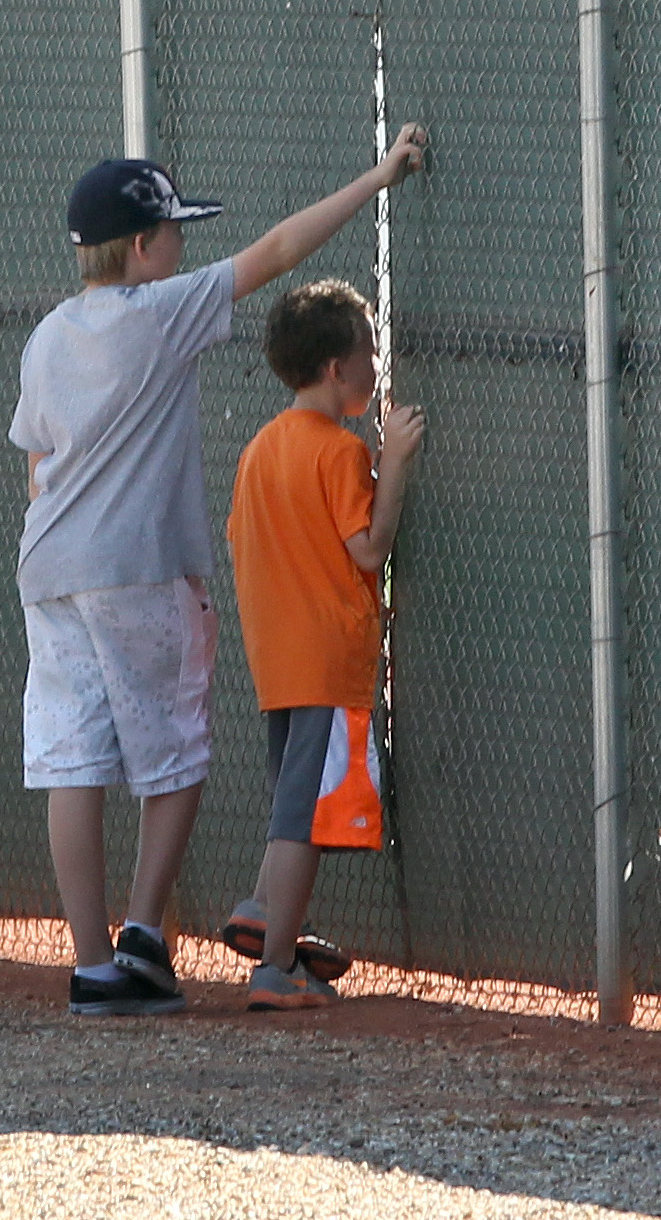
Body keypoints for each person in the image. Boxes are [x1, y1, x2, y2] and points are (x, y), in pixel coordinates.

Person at [11, 126, 428, 1018]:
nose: (184, 245)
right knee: (174, 752)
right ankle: (146, 935)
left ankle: (92, 964)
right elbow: (279, 250)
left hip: (49, 565)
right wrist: (377, 177)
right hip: (140, 564)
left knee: (71, 762)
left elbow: (38, 466)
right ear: (141, 246)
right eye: (174, 232)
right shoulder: (160, 310)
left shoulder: (47, 334)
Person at [214, 278, 426, 1010]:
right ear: (337, 369)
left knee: (294, 800)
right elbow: (369, 550)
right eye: (369, 352)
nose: (376, 365)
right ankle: (275, 964)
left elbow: (242, 542)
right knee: (302, 815)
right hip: (327, 659)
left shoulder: (259, 449)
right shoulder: (338, 451)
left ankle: (263, 908)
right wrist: (391, 460)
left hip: (277, 658)